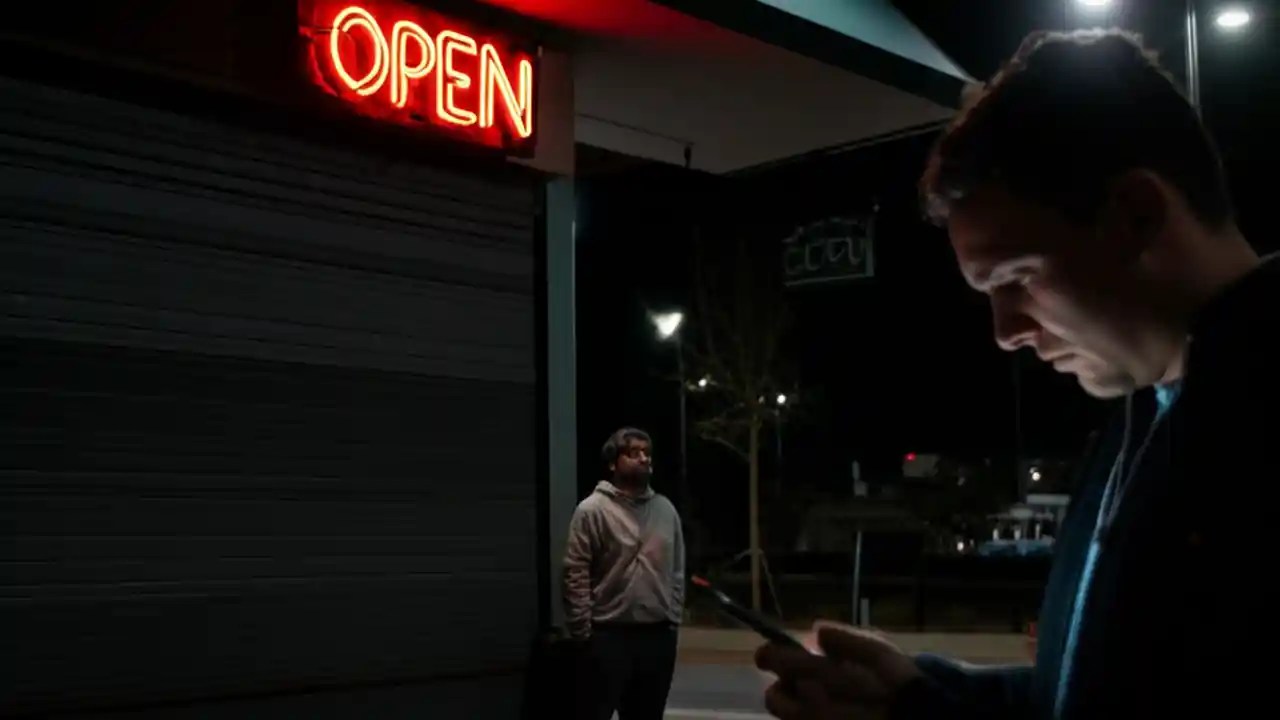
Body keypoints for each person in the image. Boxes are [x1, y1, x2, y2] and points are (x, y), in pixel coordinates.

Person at [756, 28, 1278, 720]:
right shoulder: (1140, 420)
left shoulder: (1251, 433)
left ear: (1136, 215)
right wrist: (915, 695)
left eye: (1019, 277)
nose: (1006, 334)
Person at [563, 427, 686, 720]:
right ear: (612, 463)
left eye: (647, 453)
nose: (644, 458)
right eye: (633, 453)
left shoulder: (665, 510)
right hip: (607, 636)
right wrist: (583, 631)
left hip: (657, 637)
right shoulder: (592, 510)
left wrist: (673, 617)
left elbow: (677, 569)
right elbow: (575, 570)